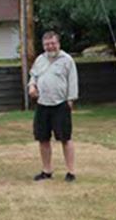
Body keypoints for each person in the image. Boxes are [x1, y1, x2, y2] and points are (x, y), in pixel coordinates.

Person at [28, 31, 79, 182]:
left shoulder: (67, 60)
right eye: (47, 44)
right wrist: (31, 86)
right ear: (43, 45)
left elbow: (73, 81)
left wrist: (70, 100)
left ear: (58, 44)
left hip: (60, 104)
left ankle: (71, 171)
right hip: (43, 104)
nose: (50, 47)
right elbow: (34, 76)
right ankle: (47, 170)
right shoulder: (40, 60)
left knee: (65, 138)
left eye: (53, 43)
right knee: (42, 138)